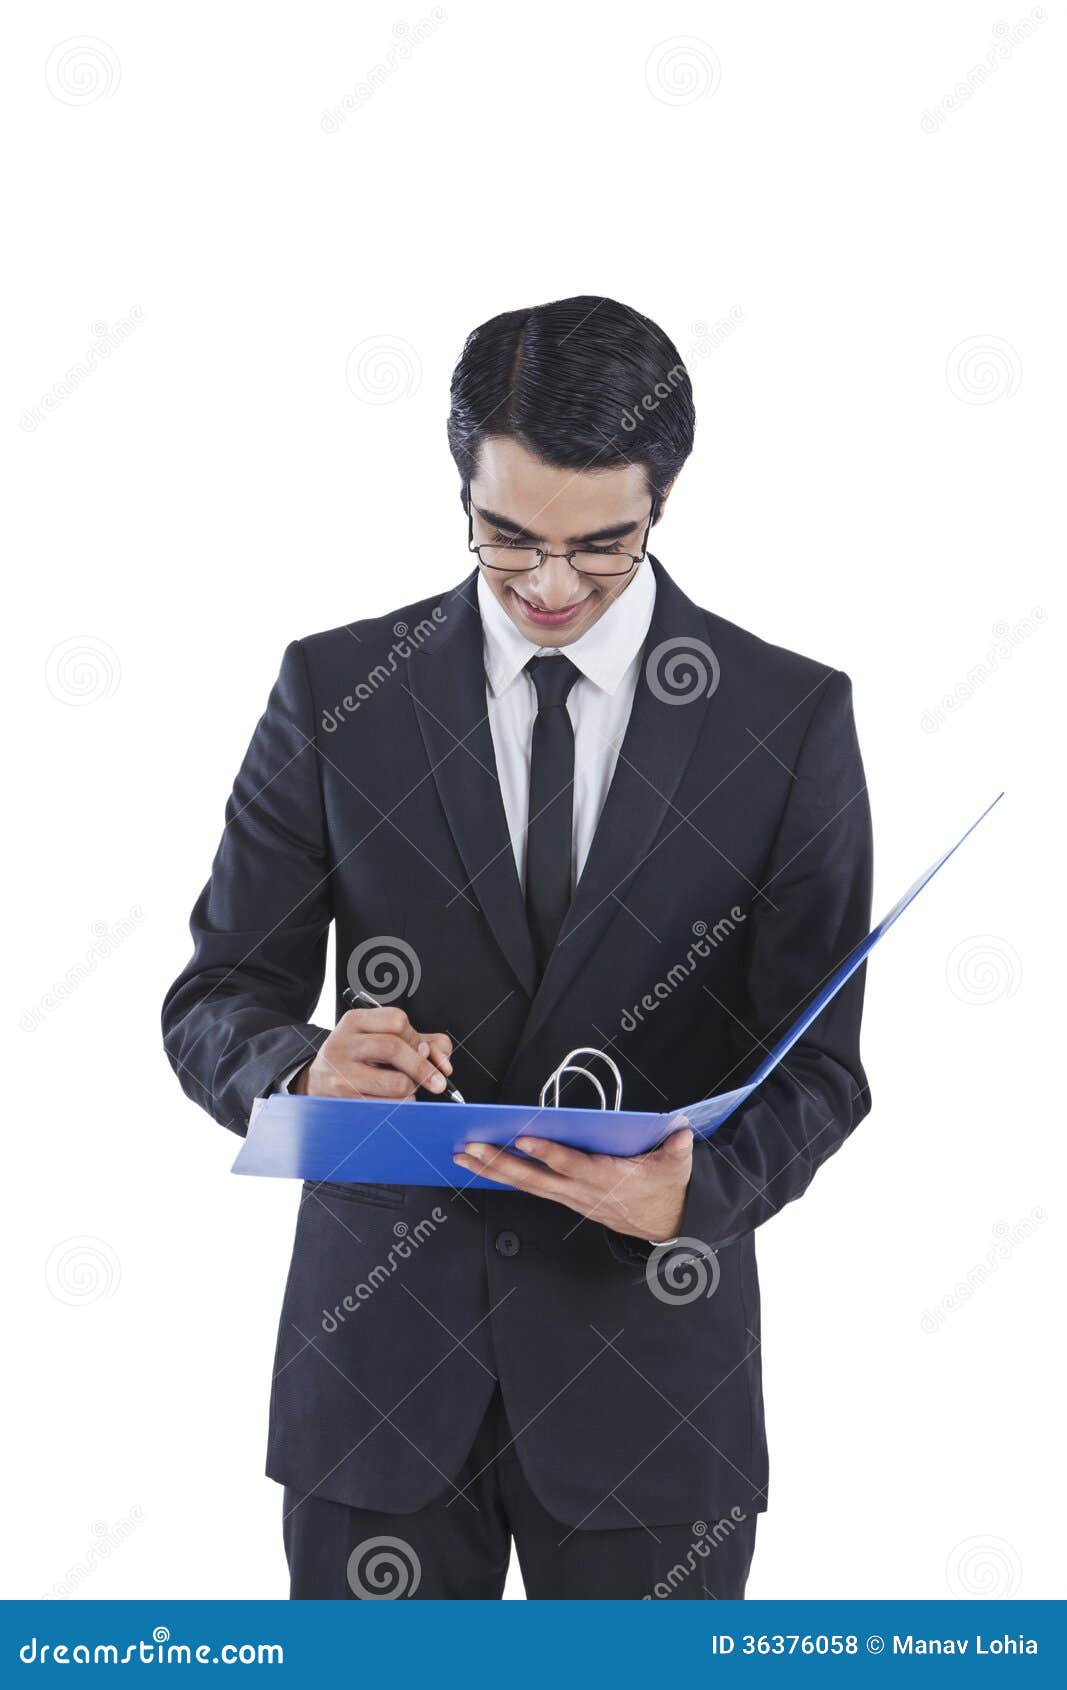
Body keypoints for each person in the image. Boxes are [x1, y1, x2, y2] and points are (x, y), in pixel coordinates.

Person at [162, 295, 873, 1600]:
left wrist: (697, 1194)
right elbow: (218, 994)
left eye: (600, 547)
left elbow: (819, 1067)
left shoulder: (789, 718)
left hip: (651, 1400)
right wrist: (307, 1065)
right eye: (509, 538)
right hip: (377, 1387)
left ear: (664, 499)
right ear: (462, 489)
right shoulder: (337, 693)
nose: (550, 586)